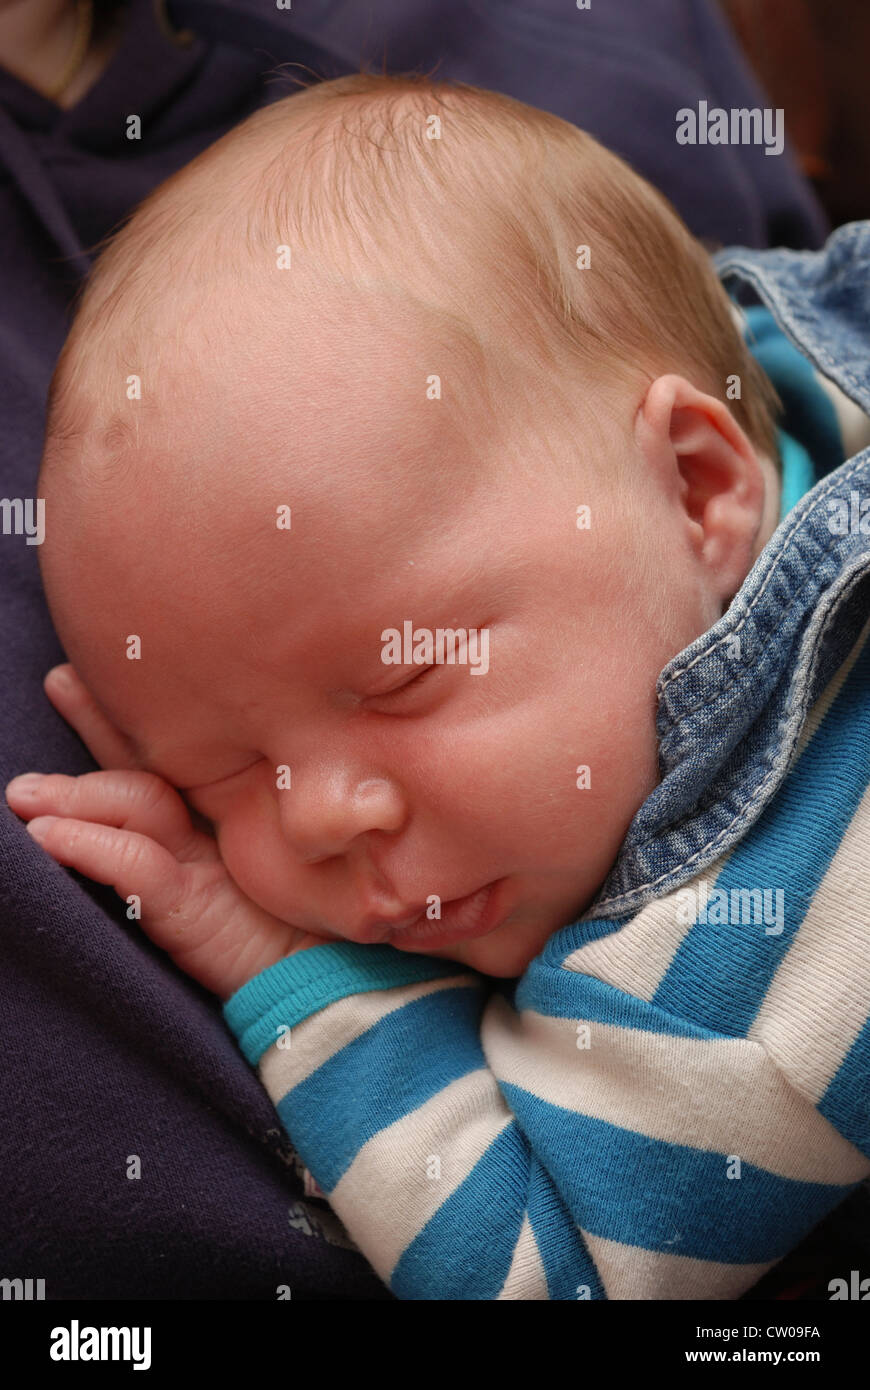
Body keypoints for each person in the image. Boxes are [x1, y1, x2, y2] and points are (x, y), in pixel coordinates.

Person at [9, 71, 869, 1298]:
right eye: (220, 771)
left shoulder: (783, 942)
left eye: (404, 678)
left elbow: (542, 1273)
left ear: (694, 488)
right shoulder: (790, 373)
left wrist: (284, 968)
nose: (314, 818)